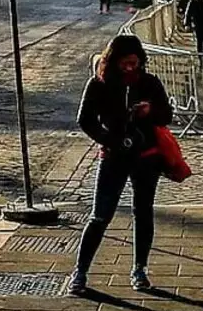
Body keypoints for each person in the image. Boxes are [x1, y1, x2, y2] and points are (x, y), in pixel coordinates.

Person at [68, 34, 173, 295]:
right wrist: (109, 140)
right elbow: (85, 119)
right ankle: (80, 272)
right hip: (114, 156)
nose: (129, 68)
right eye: (124, 64)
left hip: (147, 156)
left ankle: (139, 269)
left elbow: (167, 114)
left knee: (143, 212)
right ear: (112, 61)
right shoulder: (99, 84)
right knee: (100, 215)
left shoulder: (149, 82)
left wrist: (150, 111)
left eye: (134, 63)